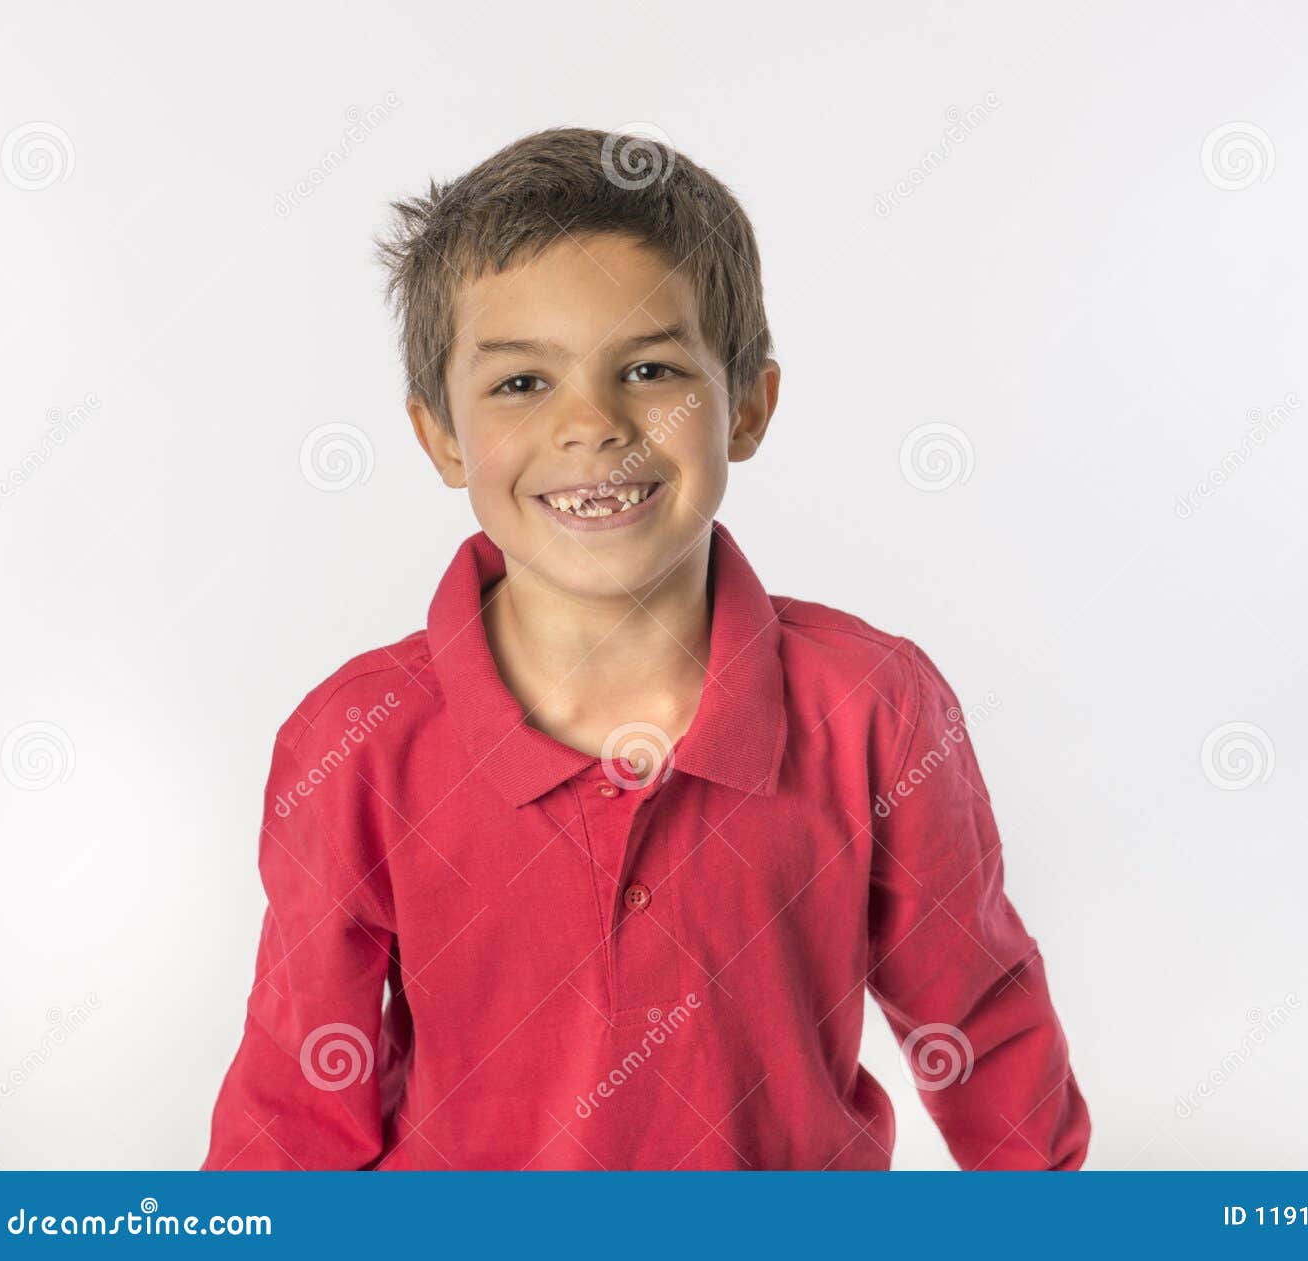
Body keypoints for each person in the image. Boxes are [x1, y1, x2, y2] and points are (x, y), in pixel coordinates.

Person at [201, 127, 1089, 1171]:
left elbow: (981, 1025)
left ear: (747, 405)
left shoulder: (873, 708)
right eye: (522, 384)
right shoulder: (352, 742)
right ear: (439, 434)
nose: (592, 424)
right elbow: (297, 1109)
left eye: (651, 368)